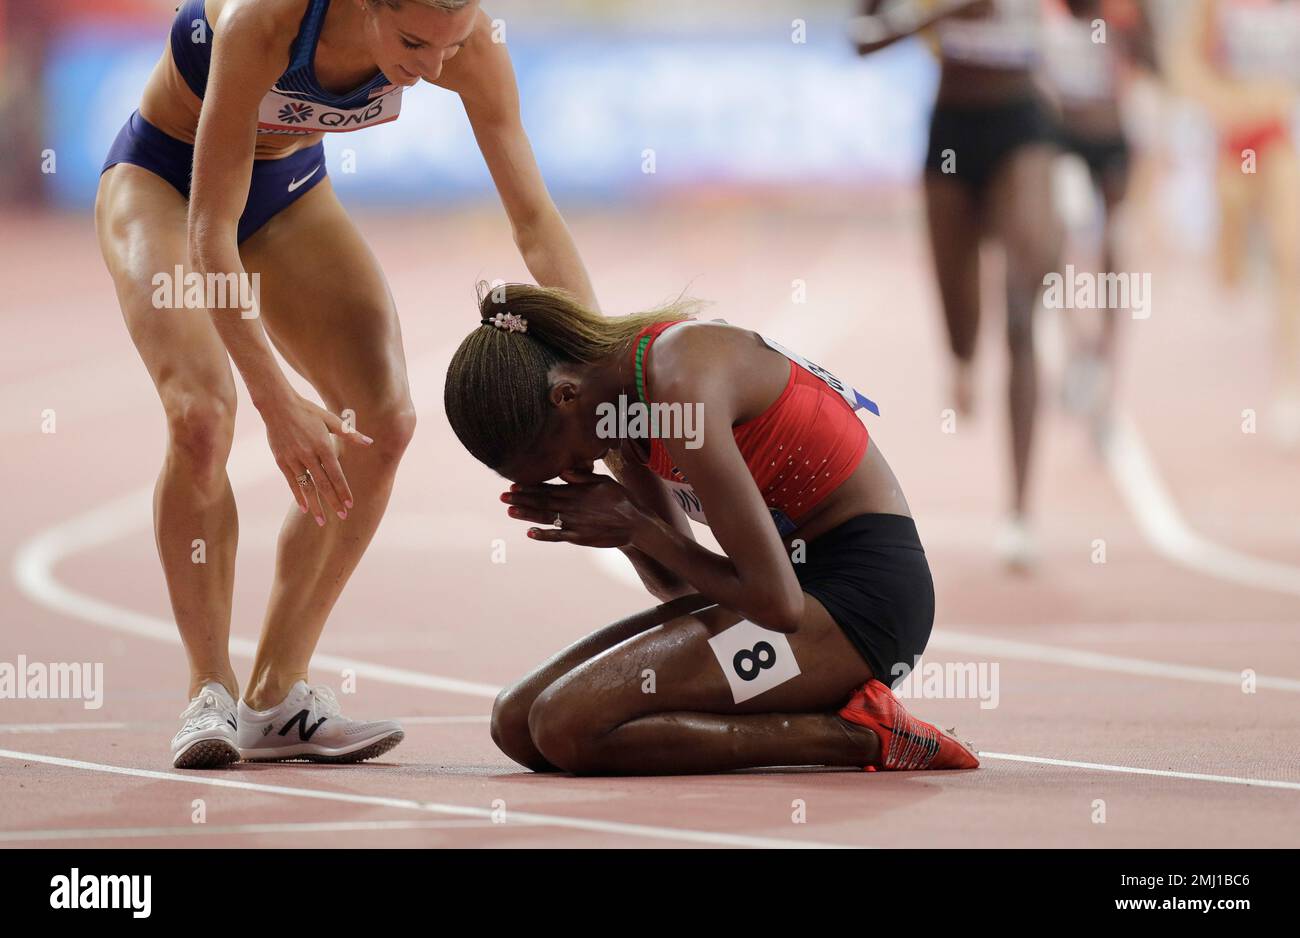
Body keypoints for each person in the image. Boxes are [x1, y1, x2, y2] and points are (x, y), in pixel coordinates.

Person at [94, 0, 597, 768]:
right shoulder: (264, 24)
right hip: (167, 186)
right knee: (203, 414)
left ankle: (276, 695)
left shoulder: (468, 45)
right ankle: (209, 690)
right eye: (414, 44)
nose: (433, 68)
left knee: (384, 421)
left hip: (288, 191)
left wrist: (610, 364)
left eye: (451, 45)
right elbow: (209, 236)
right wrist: (275, 400)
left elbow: (533, 220)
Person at [444, 283, 979, 775]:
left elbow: (777, 603)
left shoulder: (680, 384)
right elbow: (683, 586)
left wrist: (636, 524)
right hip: (790, 599)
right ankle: (820, 703)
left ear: (564, 396)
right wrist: (628, 534)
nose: (574, 475)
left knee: (566, 726)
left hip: (864, 607)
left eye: (559, 462)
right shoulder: (609, 409)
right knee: (515, 722)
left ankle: (857, 734)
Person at [853, 0, 1063, 568]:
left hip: (1023, 121)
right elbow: (862, 38)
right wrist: (942, 13)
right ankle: (964, 358)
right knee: (959, 316)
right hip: (952, 129)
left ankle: (1020, 513)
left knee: (1022, 311)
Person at [1171, 0, 1300, 446]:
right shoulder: (1216, 6)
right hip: (1234, 138)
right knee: (1230, 274)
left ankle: (1290, 385)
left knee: (1292, 254)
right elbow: (1187, 60)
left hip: (1281, 135)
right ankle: (1237, 261)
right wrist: (1222, 102)